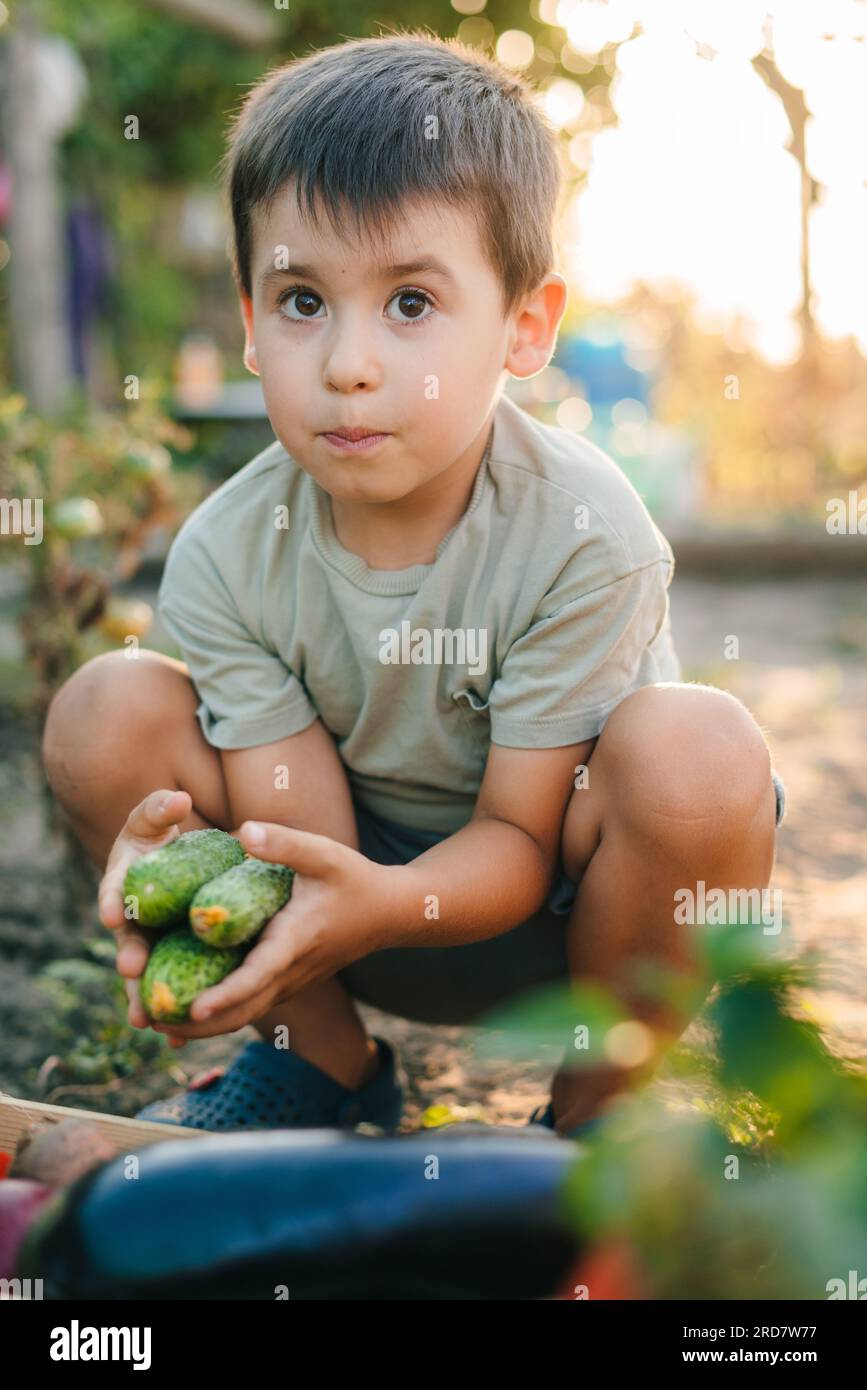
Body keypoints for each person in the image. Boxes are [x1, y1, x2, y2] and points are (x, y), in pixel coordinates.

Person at [43, 32, 785, 1139]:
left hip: (571, 925)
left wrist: (379, 897)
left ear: (524, 327)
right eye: (301, 300)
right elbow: (299, 838)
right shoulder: (231, 550)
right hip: (342, 918)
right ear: (249, 321)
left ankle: (595, 1117)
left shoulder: (582, 530)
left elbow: (521, 848)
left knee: (703, 752)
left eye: (409, 303)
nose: (348, 361)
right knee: (104, 707)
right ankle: (324, 1066)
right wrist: (210, 887)